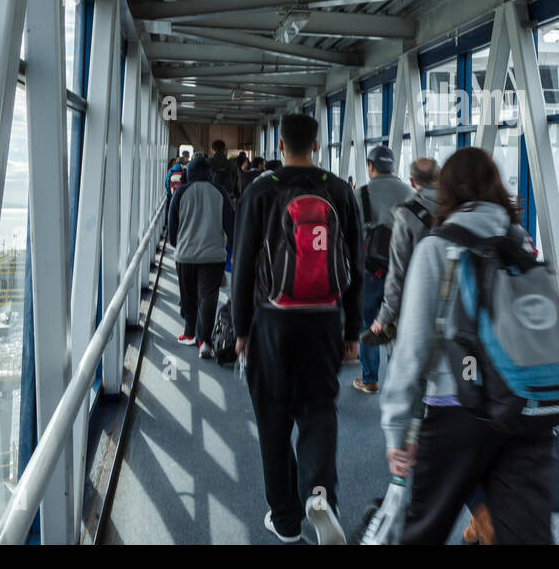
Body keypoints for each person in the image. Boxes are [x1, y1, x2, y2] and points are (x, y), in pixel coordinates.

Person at [379, 147, 556, 544]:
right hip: (523, 409)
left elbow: (412, 353)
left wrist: (396, 430)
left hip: (455, 410)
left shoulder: (437, 247)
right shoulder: (521, 241)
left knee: (422, 530)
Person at [231, 113, 363, 544]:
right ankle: (320, 494)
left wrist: (240, 329)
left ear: (282, 146)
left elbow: (244, 264)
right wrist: (352, 332)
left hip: (271, 320)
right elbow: (356, 269)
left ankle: (286, 520)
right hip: (325, 321)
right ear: (317, 144)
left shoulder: (261, 190)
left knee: (272, 419)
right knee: (318, 410)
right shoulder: (340, 190)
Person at [351, 145, 412, 395]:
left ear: (371, 166)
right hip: (402, 270)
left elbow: (350, 233)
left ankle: (369, 379)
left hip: (369, 269)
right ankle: (399, 382)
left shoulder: (361, 193)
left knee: (368, 323)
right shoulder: (408, 192)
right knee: (399, 325)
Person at [366, 157, 439, 347]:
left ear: (413, 182)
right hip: (453, 305)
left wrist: (384, 317)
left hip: (416, 302)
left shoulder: (406, 214)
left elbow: (398, 271)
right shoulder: (456, 209)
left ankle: (371, 377)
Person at [166, 154, 233, 356]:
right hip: (213, 256)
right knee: (208, 296)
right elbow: (231, 224)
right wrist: (233, 250)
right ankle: (204, 341)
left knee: (189, 297)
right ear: (210, 173)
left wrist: (175, 243)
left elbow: (172, 223)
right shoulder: (220, 192)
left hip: (186, 255)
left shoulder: (181, 193)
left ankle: (189, 333)